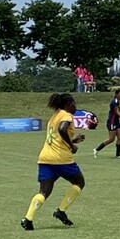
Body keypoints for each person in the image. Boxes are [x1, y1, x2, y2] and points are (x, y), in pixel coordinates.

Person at [21, 93, 87, 230]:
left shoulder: (54, 116)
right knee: (79, 182)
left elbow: (57, 136)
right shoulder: (66, 115)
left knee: (44, 191)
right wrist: (72, 146)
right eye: (74, 104)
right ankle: (61, 211)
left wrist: (74, 140)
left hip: (45, 158)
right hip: (61, 159)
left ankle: (28, 219)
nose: (75, 107)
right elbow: (62, 129)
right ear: (68, 105)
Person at [93, 89, 120, 158]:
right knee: (111, 139)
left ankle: (118, 155)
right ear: (116, 94)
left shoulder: (117, 101)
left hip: (116, 122)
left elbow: (118, 111)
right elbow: (117, 112)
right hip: (112, 122)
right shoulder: (114, 101)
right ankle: (96, 149)